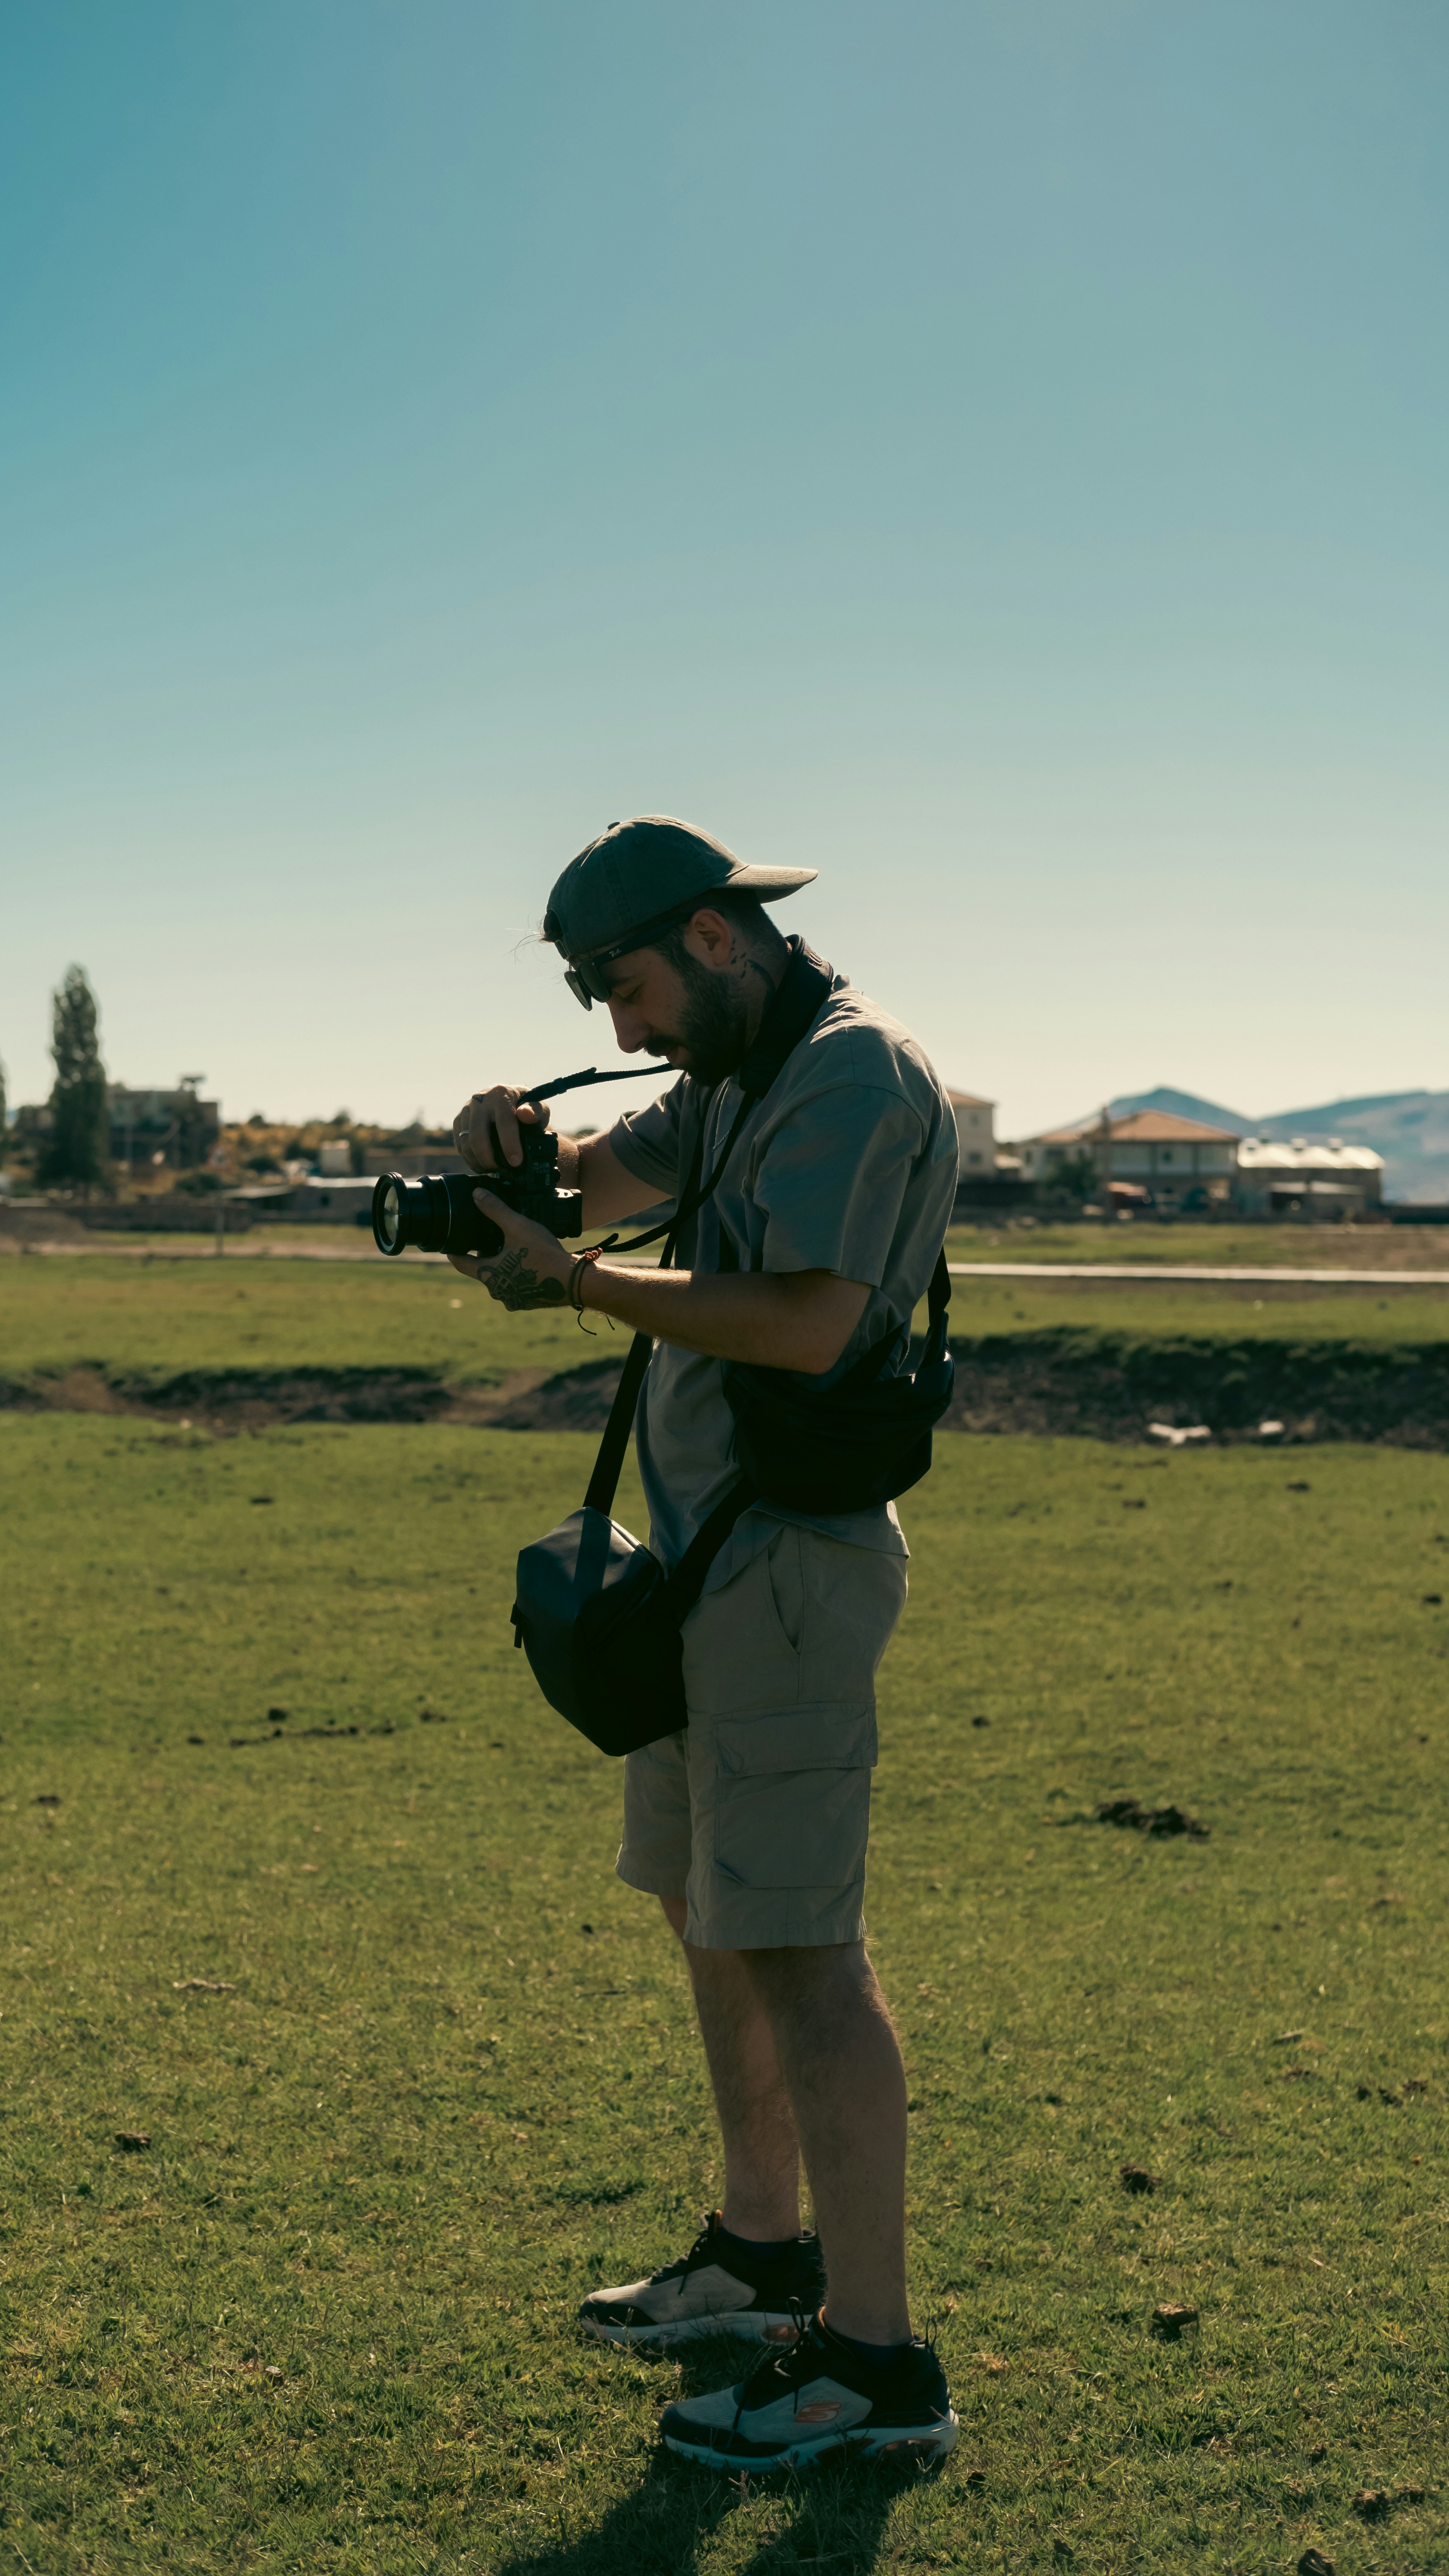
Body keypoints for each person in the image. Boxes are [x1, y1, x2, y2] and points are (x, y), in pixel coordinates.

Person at [450, 815, 959, 2470]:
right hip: (704, 1558)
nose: (620, 1032)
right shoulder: (733, 1074)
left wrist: (580, 1286)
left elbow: (808, 1326)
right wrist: (510, 1173)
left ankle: (876, 2369)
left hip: (793, 1562)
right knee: (709, 1906)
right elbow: (599, 1188)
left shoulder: (850, 1074)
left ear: (714, 939)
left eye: (627, 986)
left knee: (801, 1944)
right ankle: (756, 2255)